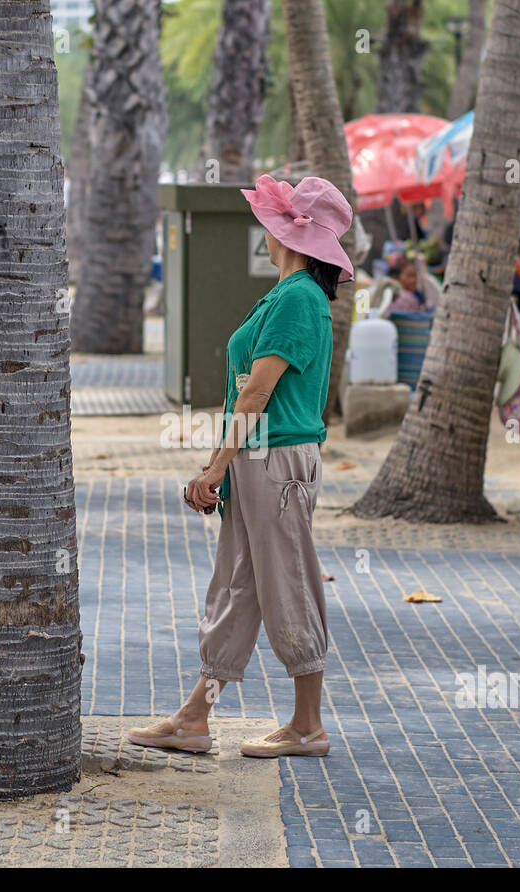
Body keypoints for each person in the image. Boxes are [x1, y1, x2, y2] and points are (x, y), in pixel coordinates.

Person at [127, 174, 352, 758]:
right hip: (261, 459)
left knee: (287, 583)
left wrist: (212, 468)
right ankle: (195, 717)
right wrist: (222, 469)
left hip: (275, 459)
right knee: (238, 585)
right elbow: (249, 394)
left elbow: (256, 395)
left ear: (291, 234)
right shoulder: (288, 295)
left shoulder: (299, 298)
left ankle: (307, 726)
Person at [381, 251, 428, 315]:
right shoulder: (406, 298)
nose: (414, 280)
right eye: (410, 276)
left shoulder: (415, 295)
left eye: (415, 276)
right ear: (397, 278)